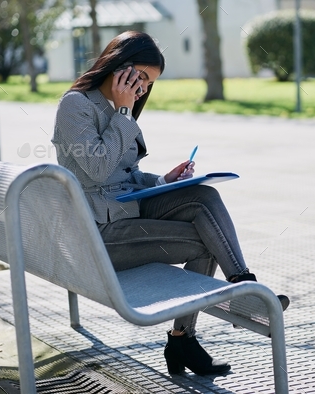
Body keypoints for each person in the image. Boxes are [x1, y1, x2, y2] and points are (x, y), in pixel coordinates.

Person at [52, 31, 289, 376]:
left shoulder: (119, 110)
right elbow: (99, 168)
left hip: (126, 212)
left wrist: (164, 181)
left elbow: (124, 175)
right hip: (99, 233)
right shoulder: (76, 106)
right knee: (205, 240)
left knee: (203, 196)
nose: (144, 89)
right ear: (120, 68)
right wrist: (123, 110)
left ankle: (242, 284)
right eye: (142, 78)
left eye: (150, 83)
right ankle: (184, 338)